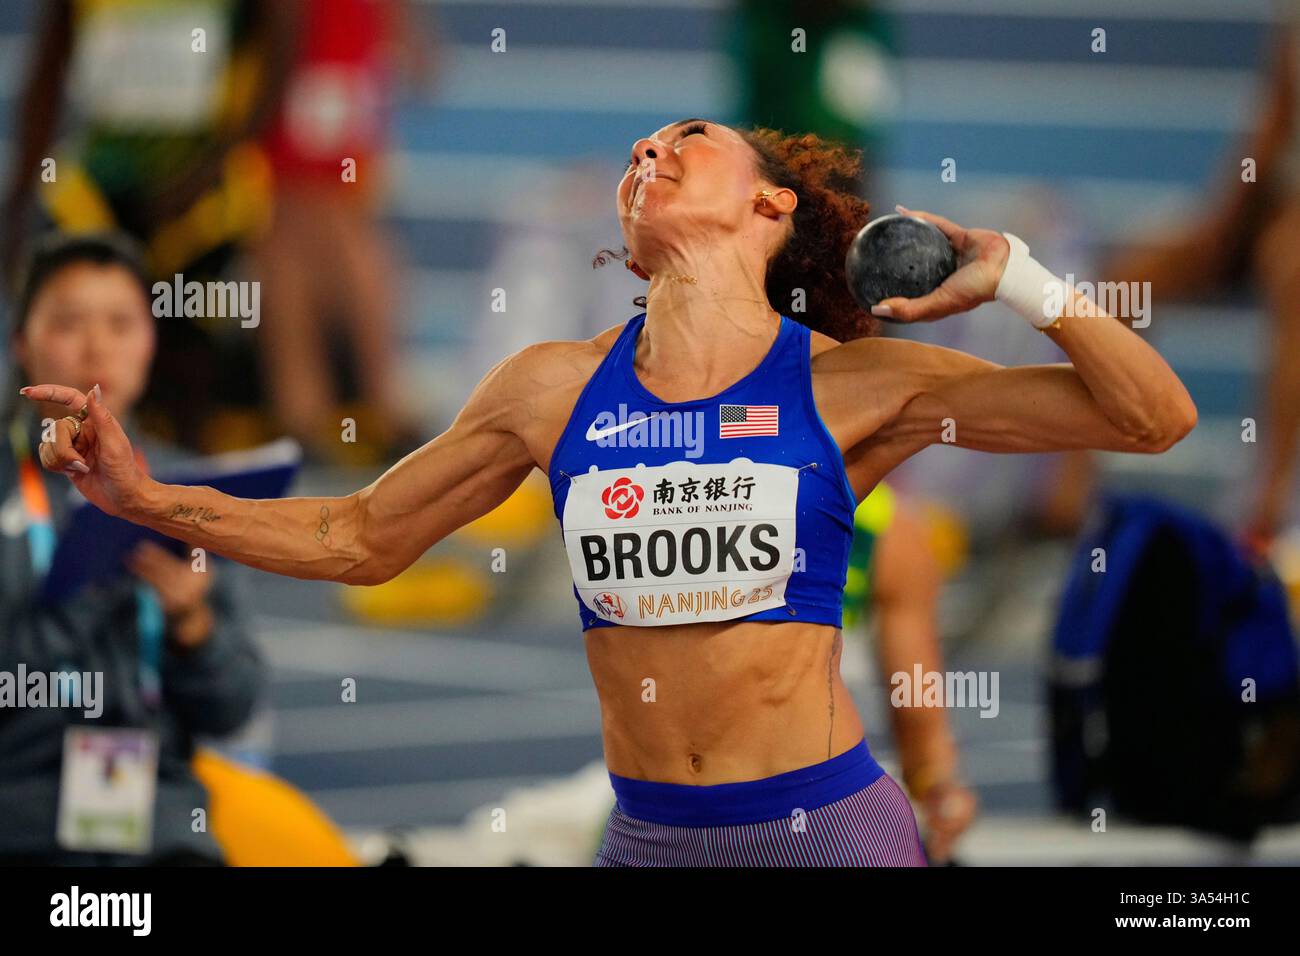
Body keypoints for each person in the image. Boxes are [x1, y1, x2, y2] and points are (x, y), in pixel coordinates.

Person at [22, 120, 1197, 867]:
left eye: (688, 138)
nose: (650, 153)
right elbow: (361, 532)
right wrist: (143, 496)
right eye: (636, 151)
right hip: (643, 836)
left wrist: (1021, 277)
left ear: (769, 205)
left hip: (822, 830)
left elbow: (1152, 417)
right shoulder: (547, 390)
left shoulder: (856, 388)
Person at [0, 233, 265, 865]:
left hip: (159, 824)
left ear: (150, 344)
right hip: (19, 822)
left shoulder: (190, 491)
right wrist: (84, 585)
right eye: (68, 321)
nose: (97, 347)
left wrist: (192, 626)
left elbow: (232, 708)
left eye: (121, 323)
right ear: (21, 344)